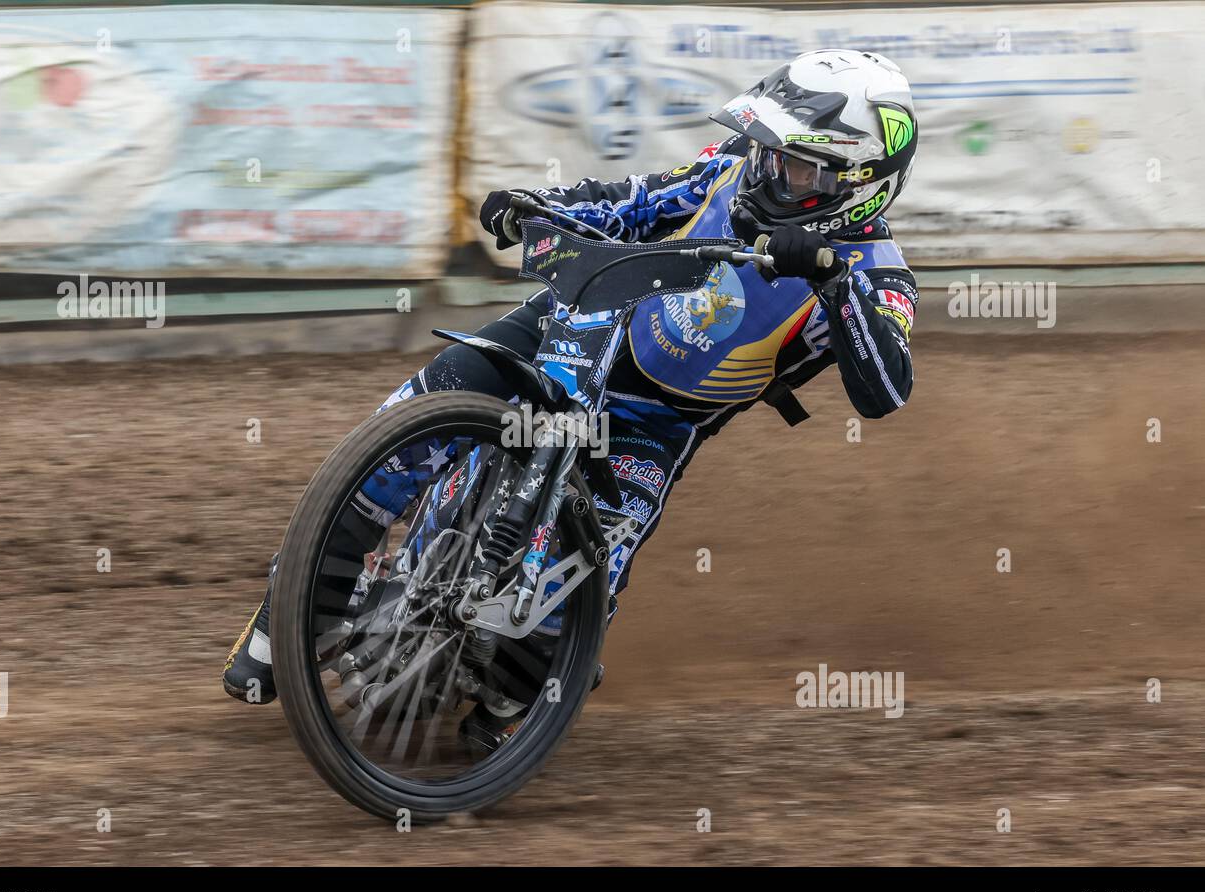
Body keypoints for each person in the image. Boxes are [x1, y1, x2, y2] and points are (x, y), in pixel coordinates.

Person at [224, 49, 920, 748]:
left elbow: (886, 389)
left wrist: (836, 283)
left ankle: (512, 699)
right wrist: (537, 206)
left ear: (857, 181)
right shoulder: (729, 171)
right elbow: (632, 201)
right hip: (572, 325)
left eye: (793, 164)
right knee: (401, 426)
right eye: (767, 150)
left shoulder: (881, 277)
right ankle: (286, 609)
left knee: (575, 597)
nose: (766, 169)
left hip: (656, 423)